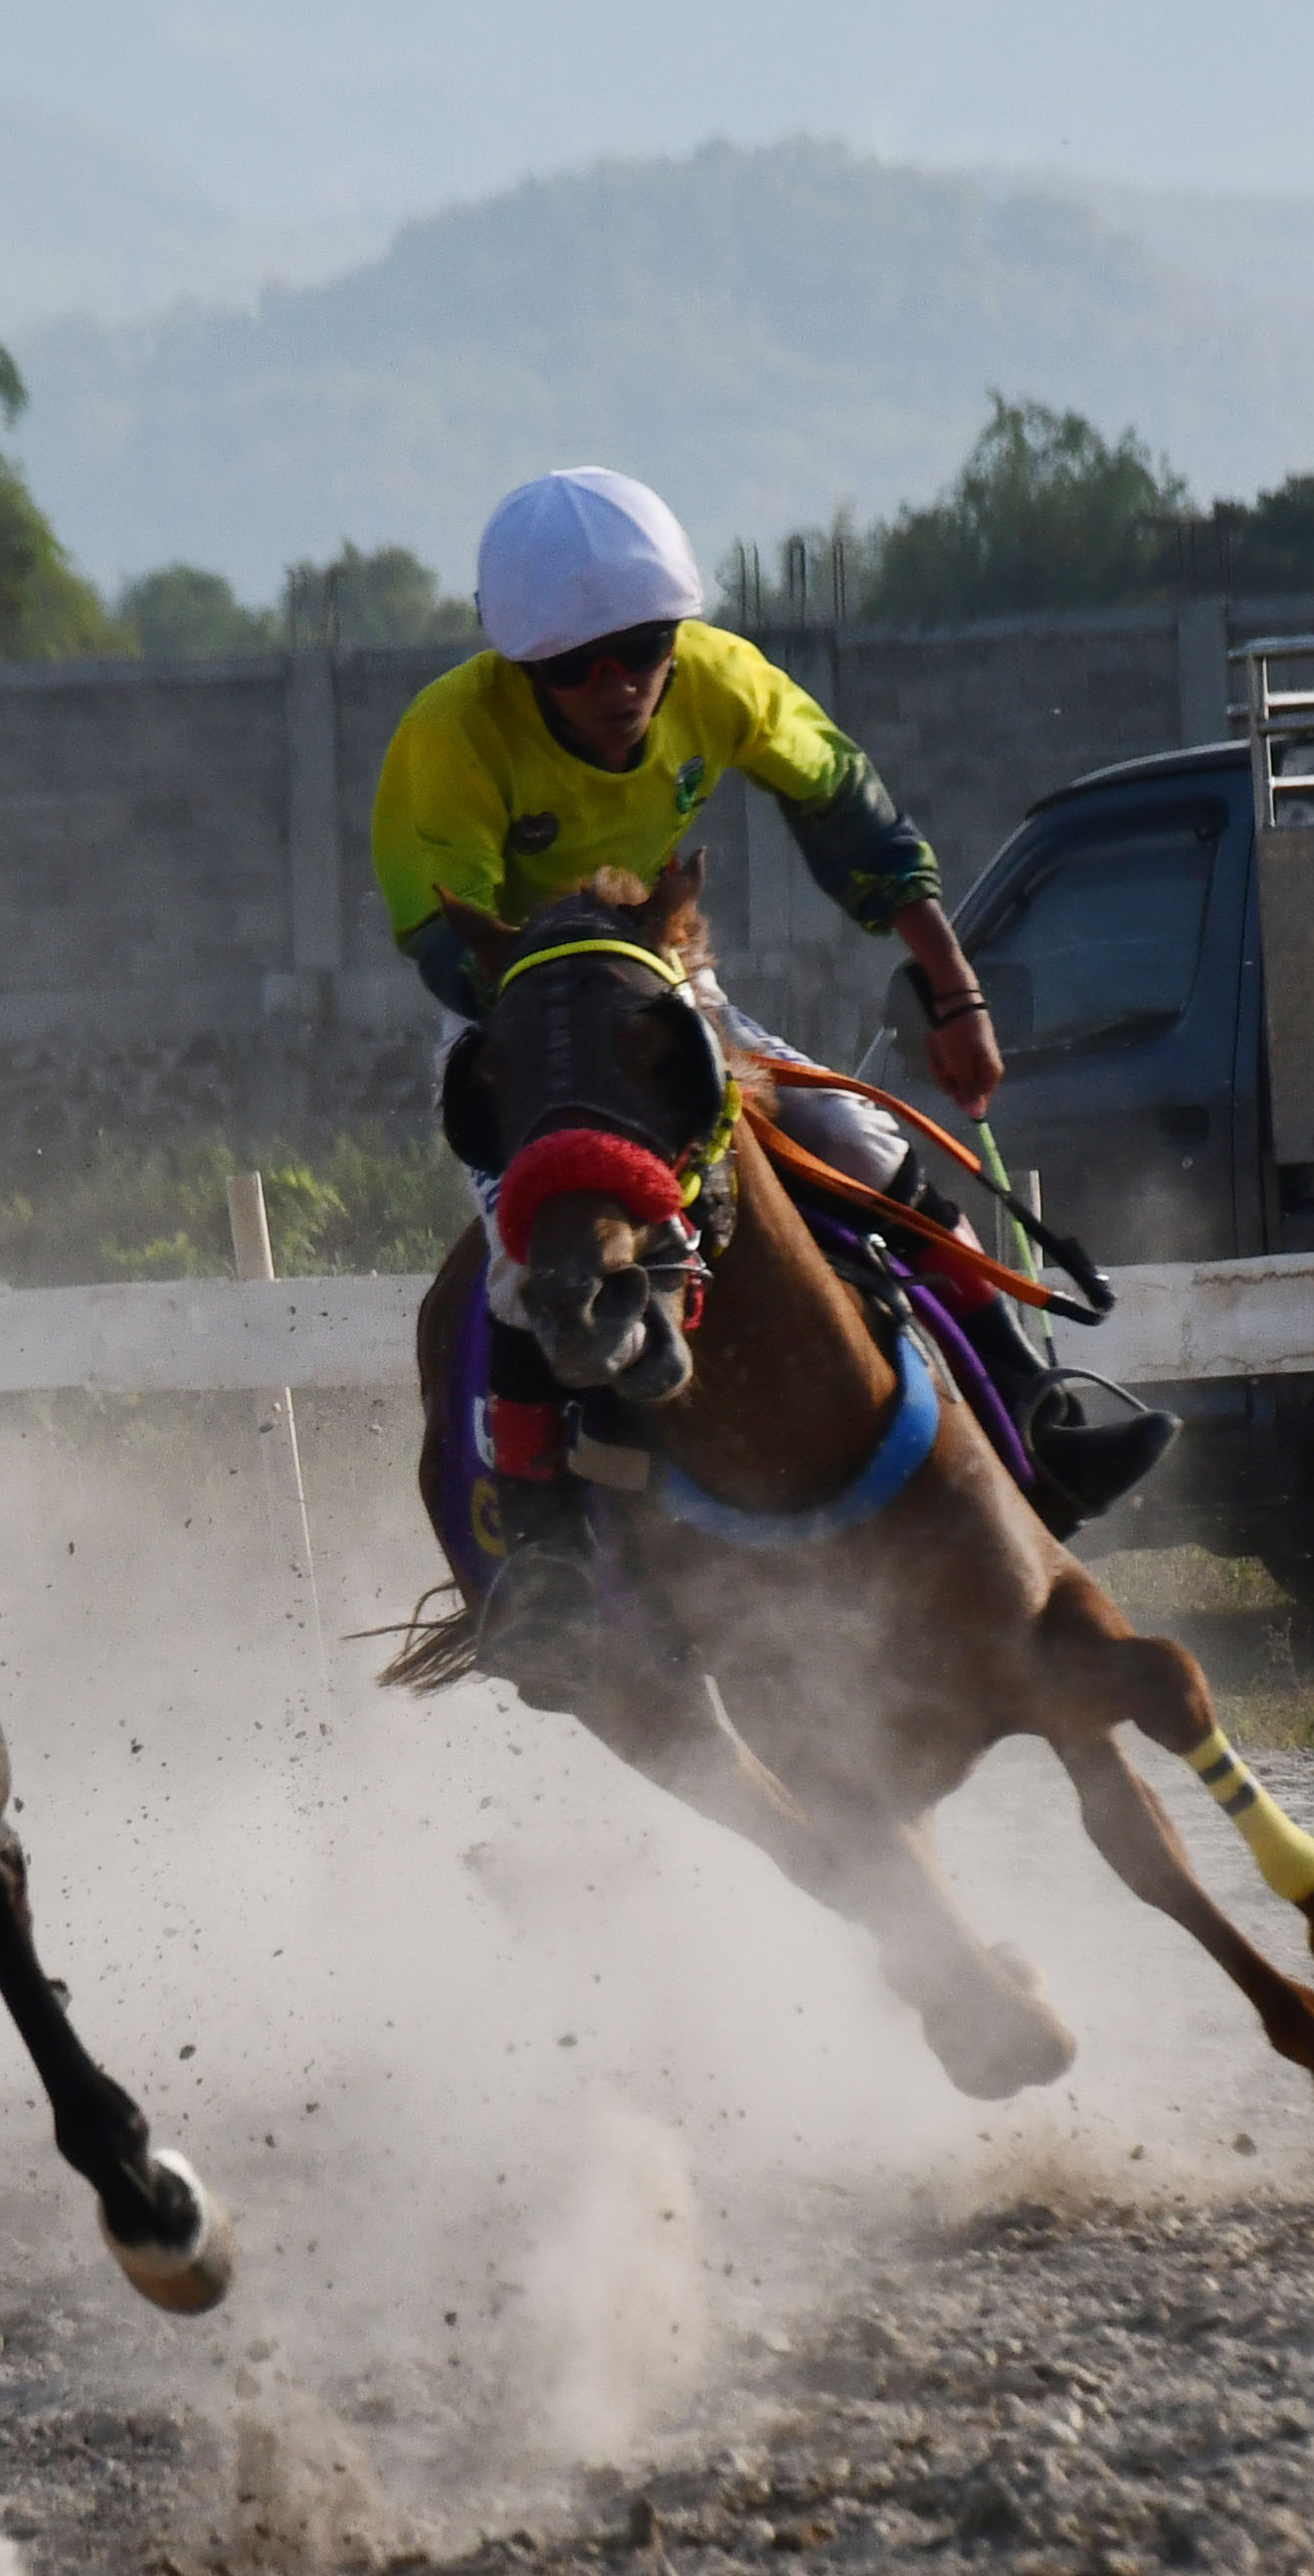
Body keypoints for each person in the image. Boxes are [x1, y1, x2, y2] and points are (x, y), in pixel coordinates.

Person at [372, 467, 1172, 1687]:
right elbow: (445, 944)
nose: (618, 684)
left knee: (869, 1147)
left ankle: (1037, 1420)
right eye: (574, 668)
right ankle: (537, 1559)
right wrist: (577, 1065)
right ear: (521, 670)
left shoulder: (720, 677)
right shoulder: (445, 736)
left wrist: (951, 992)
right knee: (526, 1267)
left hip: (668, 999)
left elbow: (847, 815)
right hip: (515, 1021)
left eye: (641, 648)